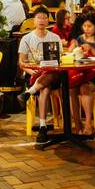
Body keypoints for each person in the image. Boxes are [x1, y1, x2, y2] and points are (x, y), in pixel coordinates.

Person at [18, 8, 66, 143]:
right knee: (44, 88)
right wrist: (29, 71)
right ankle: (43, 126)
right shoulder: (26, 38)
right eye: (39, 18)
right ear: (34, 20)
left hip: (53, 73)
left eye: (45, 18)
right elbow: (21, 63)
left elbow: (60, 59)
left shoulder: (54, 37)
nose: (42, 20)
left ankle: (30, 92)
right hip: (34, 74)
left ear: (48, 20)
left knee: (50, 75)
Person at [66, 13, 95, 136]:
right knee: (71, 89)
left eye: (89, 26)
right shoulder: (80, 39)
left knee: (84, 87)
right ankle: (77, 123)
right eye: (84, 26)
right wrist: (73, 47)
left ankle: (88, 123)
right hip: (81, 73)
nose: (86, 28)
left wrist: (91, 49)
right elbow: (70, 55)